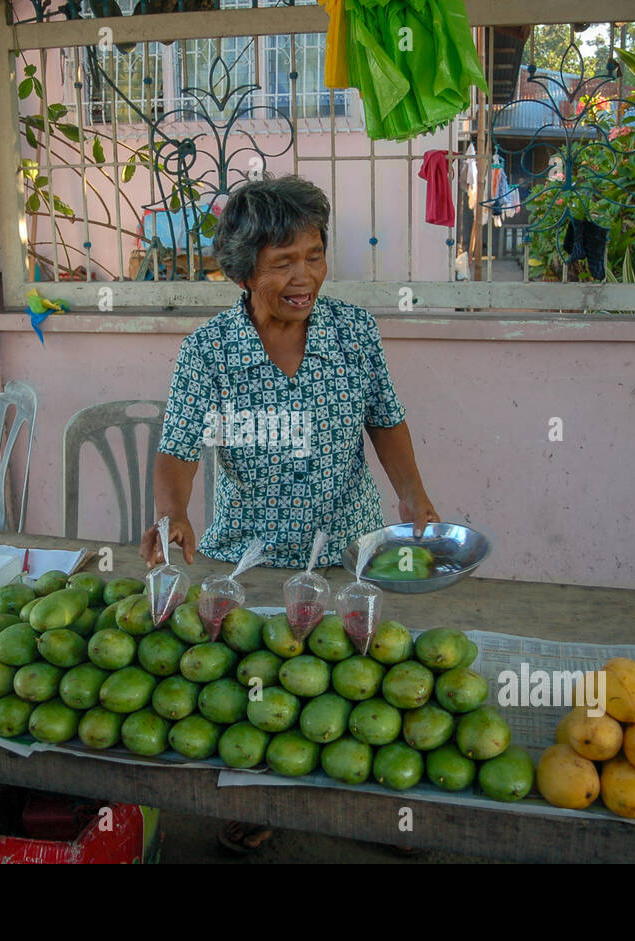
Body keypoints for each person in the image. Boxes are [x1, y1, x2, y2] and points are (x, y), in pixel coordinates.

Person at [138, 174, 440, 852]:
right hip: (253, 551)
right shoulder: (210, 349)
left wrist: (413, 493)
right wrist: (172, 512)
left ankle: (379, 797)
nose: (304, 277)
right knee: (263, 685)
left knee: (359, 677)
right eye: (283, 264)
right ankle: (262, 797)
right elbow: (178, 447)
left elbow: (384, 419)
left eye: (314, 256)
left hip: (347, 543)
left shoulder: (354, 331)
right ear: (245, 272)